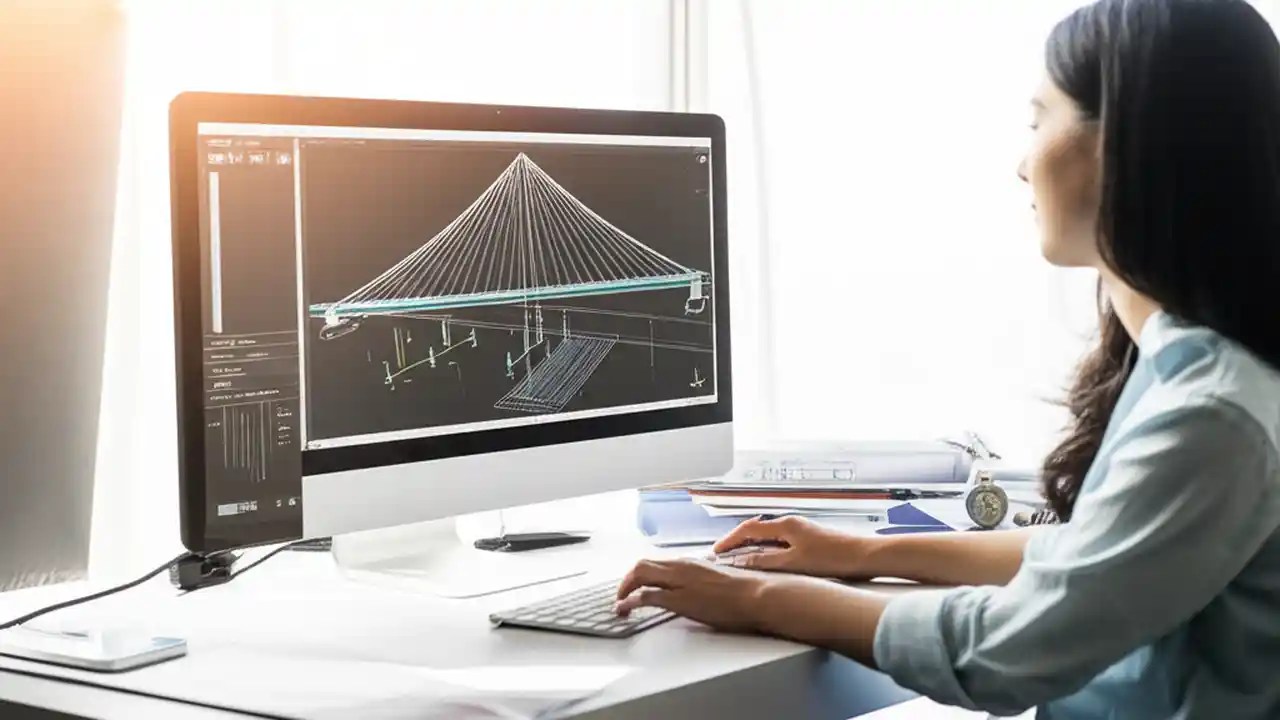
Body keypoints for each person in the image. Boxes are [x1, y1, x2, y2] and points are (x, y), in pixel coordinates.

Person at [613, 0, 1280, 717]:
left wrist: (760, 598)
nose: (1023, 165)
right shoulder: (1201, 369)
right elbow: (1093, 558)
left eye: (1038, 120)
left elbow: (1007, 651)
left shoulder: (1210, 415)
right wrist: (862, 554)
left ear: (1124, 145)